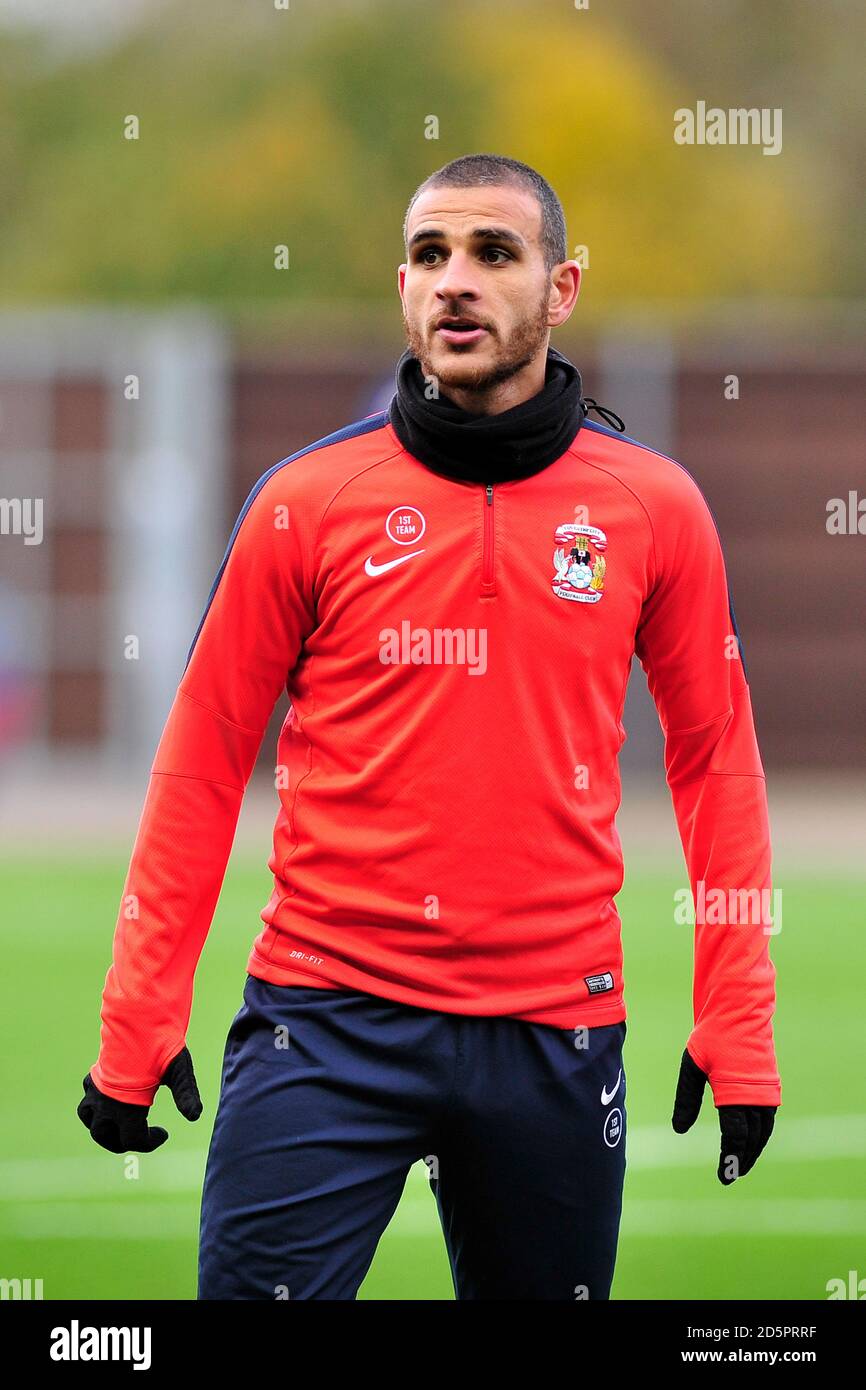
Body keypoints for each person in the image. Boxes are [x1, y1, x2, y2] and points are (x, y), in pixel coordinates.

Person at [78, 153, 781, 1301]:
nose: (454, 281)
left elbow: (716, 769)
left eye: (493, 254)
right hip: (322, 1023)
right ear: (400, 287)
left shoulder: (654, 508)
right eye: (429, 256)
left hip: (552, 1030)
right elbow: (201, 764)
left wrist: (736, 1020)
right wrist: (137, 1015)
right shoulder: (305, 501)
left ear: (560, 290)